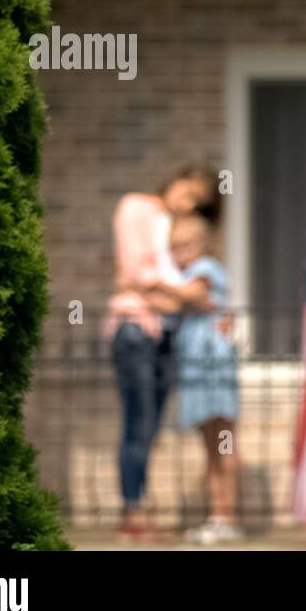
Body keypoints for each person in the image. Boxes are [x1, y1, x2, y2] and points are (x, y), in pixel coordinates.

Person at [106, 166, 221, 542]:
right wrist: (183, 294)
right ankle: (132, 510)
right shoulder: (136, 208)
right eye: (189, 193)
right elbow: (133, 273)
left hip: (167, 333)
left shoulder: (176, 230)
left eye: (197, 204)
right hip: (137, 328)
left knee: (152, 427)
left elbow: (168, 284)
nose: (187, 205)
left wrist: (176, 295)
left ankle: (141, 506)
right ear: (176, 179)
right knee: (137, 423)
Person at [151, 213, 243, 545]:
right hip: (197, 369)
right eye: (174, 248)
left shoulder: (204, 271)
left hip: (212, 367)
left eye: (185, 246)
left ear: (204, 245)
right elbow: (179, 300)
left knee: (223, 444)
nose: (179, 254)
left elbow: (185, 296)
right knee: (211, 448)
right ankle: (217, 516)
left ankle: (226, 516)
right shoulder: (189, 275)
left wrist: (144, 284)